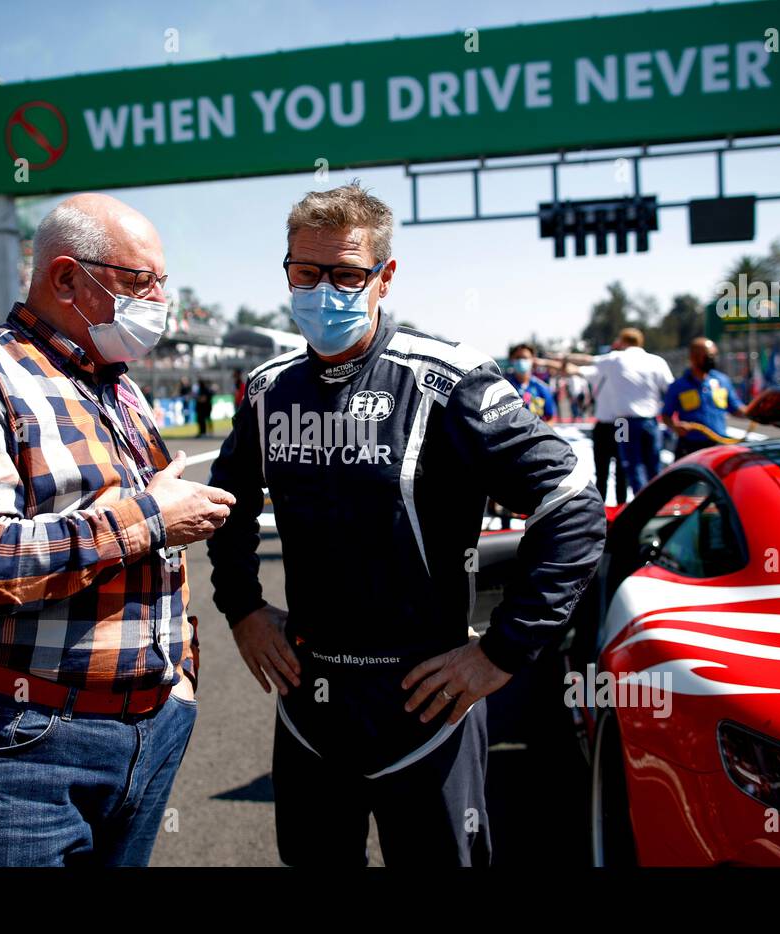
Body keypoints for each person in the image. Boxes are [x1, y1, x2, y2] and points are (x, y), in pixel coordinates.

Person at [206, 182, 606, 866]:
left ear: (384, 277)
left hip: (427, 704)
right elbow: (228, 498)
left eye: (345, 274)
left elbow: (573, 502)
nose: (322, 290)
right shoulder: (270, 388)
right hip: (310, 703)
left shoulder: (447, 380)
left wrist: (502, 651)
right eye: (306, 273)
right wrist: (242, 606)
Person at [0, 194, 235, 866]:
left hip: (146, 730)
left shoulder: (119, 387)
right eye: (140, 281)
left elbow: (157, 546)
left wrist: (179, 676)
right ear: (67, 277)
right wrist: (149, 520)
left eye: (163, 281)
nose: (160, 299)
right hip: (13, 744)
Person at [564, 329, 672, 496]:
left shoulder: (615, 359)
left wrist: (564, 357)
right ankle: (657, 502)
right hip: (651, 421)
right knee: (653, 465)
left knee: (630, 464)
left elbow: (587, 360)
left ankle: (642, 501)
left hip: (624, 423)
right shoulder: (657, 361)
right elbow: (669, 390)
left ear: (622, 342)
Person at [663, 337, 748, 459]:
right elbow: (666, 415)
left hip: (718, 445)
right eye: (708, 356)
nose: (712, 359)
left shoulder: (722, 381)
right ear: (693, 357)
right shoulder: (679, 386)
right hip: (690, 447)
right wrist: (675, 426)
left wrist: (754, 413)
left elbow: (736, 408)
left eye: (714, 355)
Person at [505, 343, 555, 421]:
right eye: (518, 358)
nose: (521, 361)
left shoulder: (542, 388)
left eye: (525, 358)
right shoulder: (504, 387)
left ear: (533, 360)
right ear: (511, 359)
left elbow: (551, 418)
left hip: (537, 432)